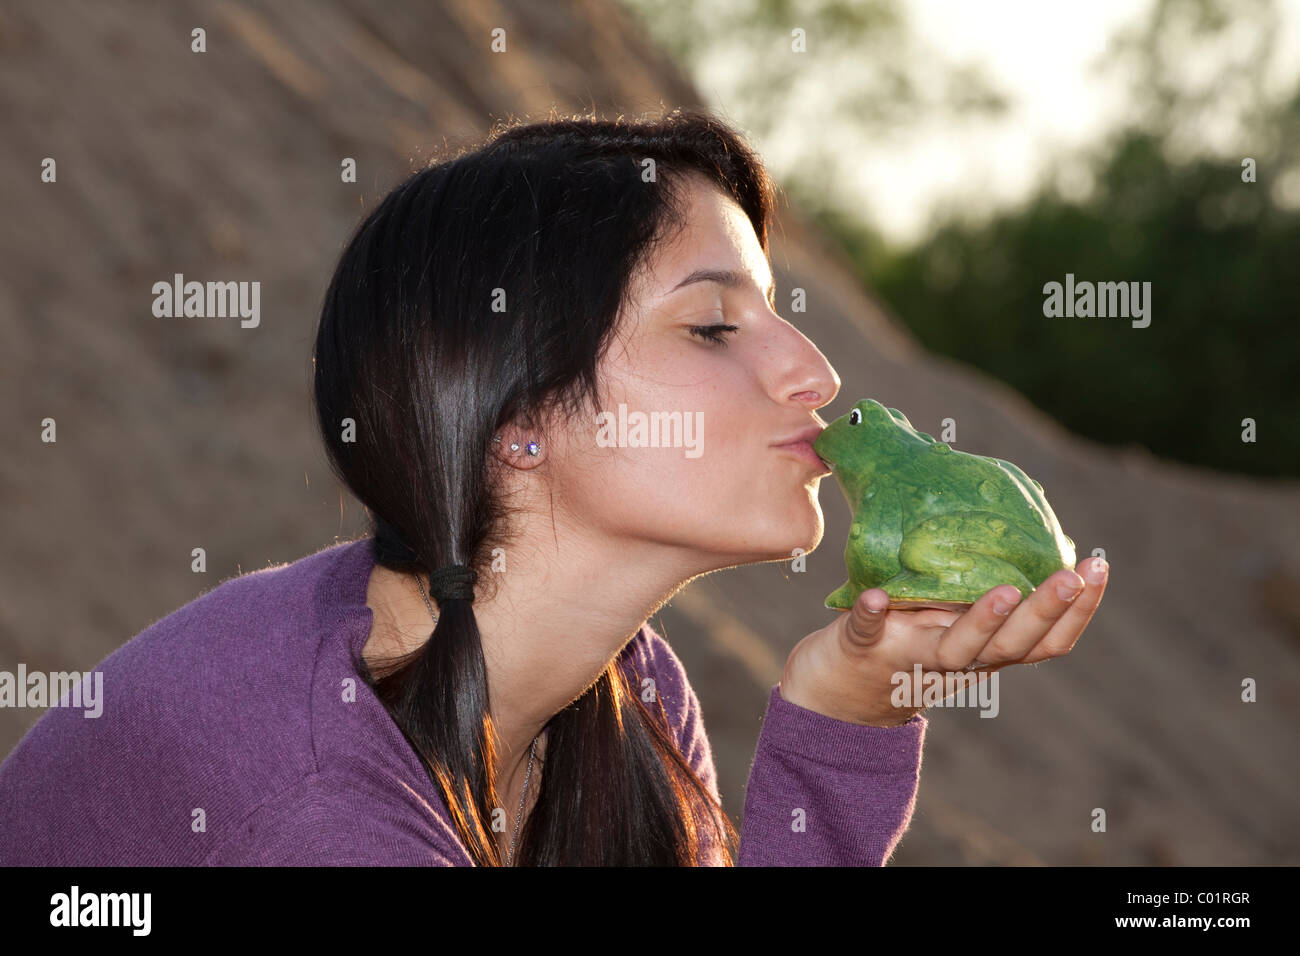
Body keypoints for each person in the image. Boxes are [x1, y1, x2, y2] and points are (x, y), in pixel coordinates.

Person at [0, 108, 1107, 866]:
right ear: (516, 418)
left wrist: (845, 711)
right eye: (715, 325)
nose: (813, 374)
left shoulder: (626, 696)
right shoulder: (319, 799)